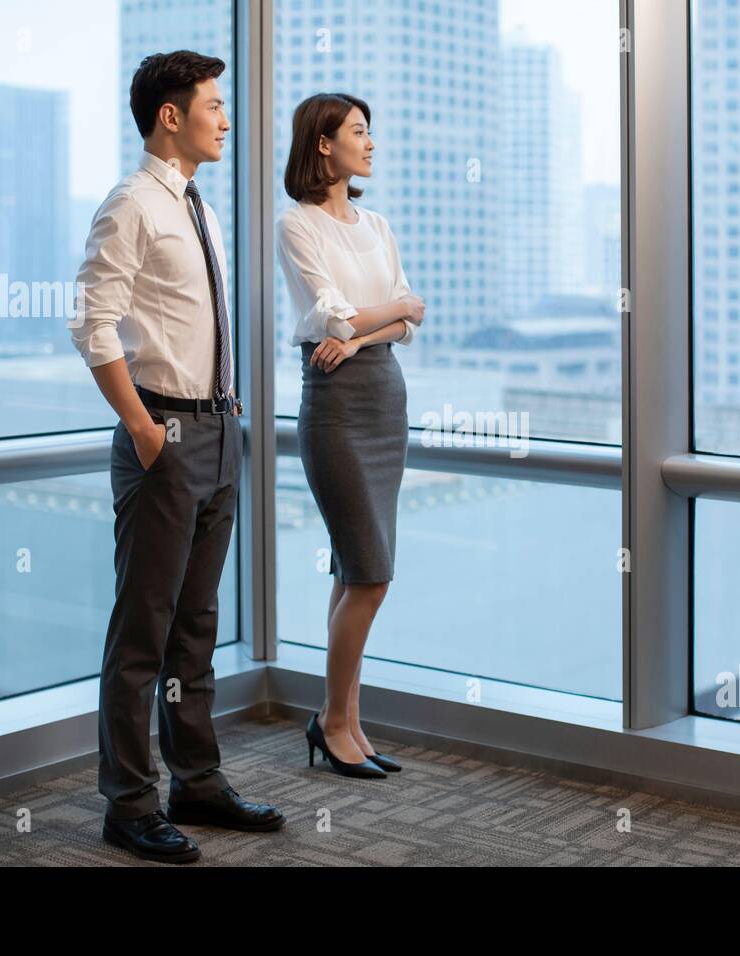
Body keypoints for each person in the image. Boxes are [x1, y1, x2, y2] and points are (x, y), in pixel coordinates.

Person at [71, 50, 283, 864]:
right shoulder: (132, 203)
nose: (225, 119)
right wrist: (142, 428)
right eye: (214, 105)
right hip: (163, 435)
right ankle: (129, 803)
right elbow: (93, 326)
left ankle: (197, 781)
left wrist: (225, 416)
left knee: (195, 626)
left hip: (218, 432)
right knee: (143, 632)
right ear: (171, 115)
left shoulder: (200, 207)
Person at [275, 92, 425, 779]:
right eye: (360, 132)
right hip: (333, 406)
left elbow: (407, 321)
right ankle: (331, 721)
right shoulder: (297, 224)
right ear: (323, 144)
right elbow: (331, 318)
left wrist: (372, 327)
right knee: (370, 572)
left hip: (383, 396)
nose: (372, 143)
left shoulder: (378, 224)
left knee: (352, 568)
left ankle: (347, 722)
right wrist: (381, 318)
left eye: (371, 131)